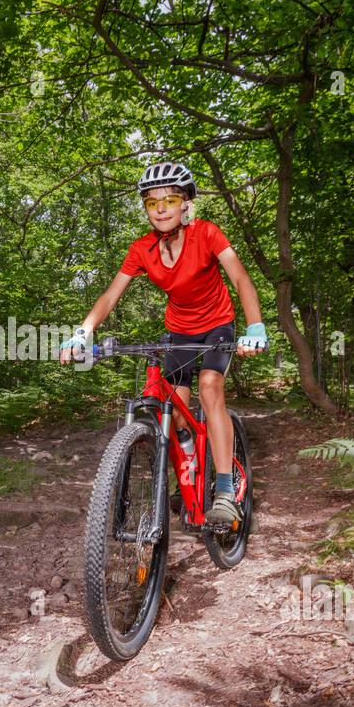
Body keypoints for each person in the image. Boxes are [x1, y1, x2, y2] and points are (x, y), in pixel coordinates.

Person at [58, 161, 268, 524]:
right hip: (180, 331)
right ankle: (187, 466)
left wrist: (255, 328)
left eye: (169, 199)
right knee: (175, 412)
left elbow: (241, 279)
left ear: (185, 203)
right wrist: (83, 331)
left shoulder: (206, 234)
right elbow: (111, 295)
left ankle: (223, 490)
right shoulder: (142, 249)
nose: (160, 209)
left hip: (218, 324)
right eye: (151, 202)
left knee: (209, 387)